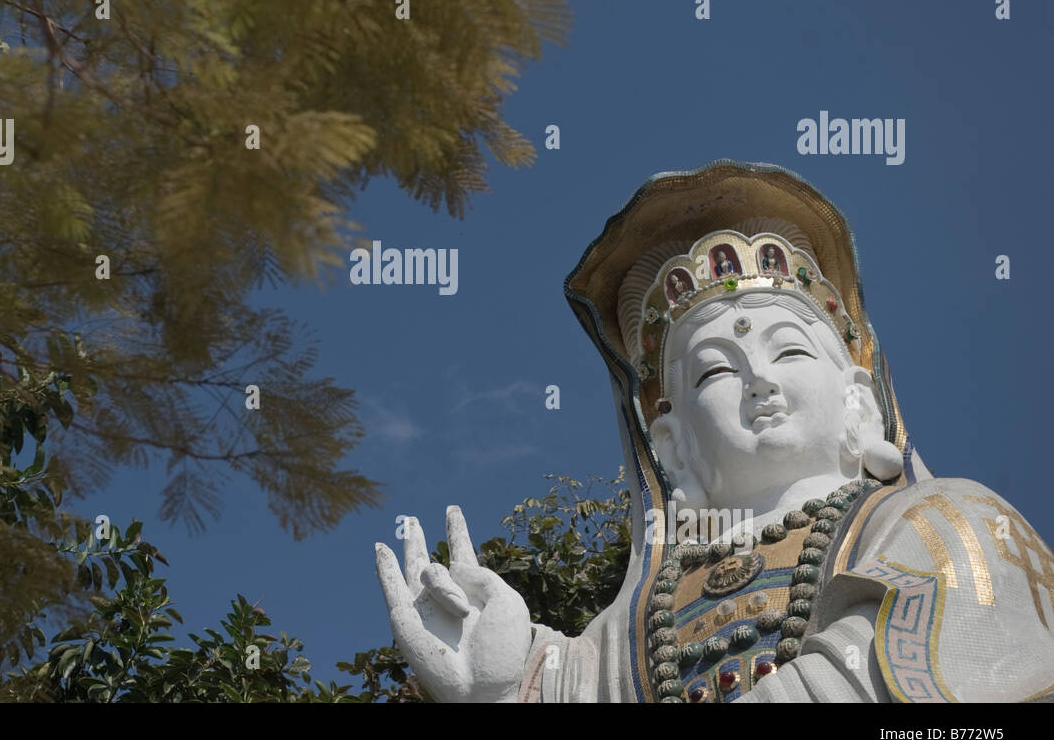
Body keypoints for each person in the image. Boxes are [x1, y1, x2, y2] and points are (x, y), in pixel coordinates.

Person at [375, 161, 1054, 702]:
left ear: (858, 400)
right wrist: (515, 678)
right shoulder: (639, 629)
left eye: (789, 352)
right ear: (670, 444)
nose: (759, 381)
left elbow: (958, 658)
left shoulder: (946, 519)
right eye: (712, 374)